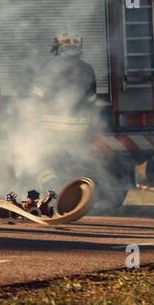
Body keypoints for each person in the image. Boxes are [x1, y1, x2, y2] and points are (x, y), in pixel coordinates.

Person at [29, 30, 97, 190]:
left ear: (58, 48)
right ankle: (76, 192)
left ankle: (50, 188)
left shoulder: (48, 66)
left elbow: (36, 99)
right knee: (74, 161)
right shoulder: (88, 69)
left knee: (42, 159)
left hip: (51, 128)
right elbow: (91, 102)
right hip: (79, 129)